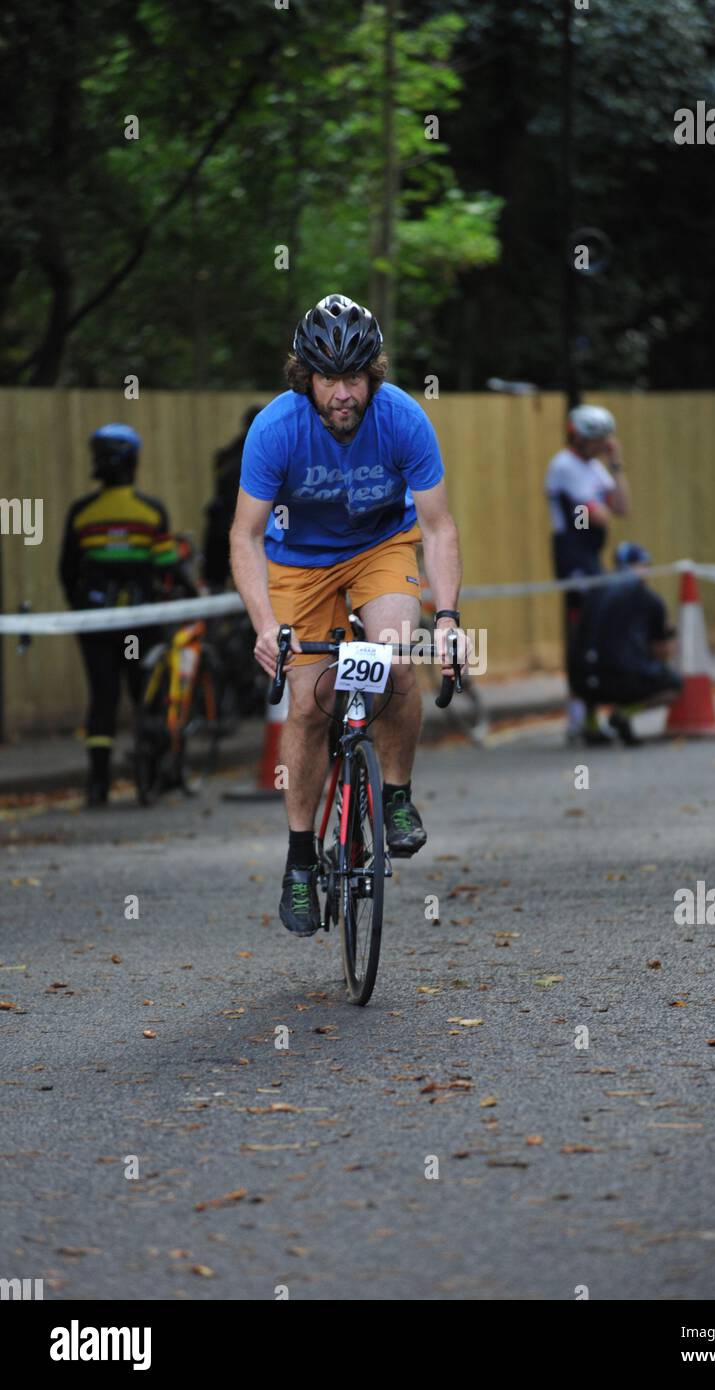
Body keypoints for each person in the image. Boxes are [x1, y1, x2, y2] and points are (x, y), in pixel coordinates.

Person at [229, 292, 465, 937]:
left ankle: (395, 796)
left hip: (379, 548)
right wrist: (262, 627)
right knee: (306, 706)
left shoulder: (404, 419)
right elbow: (245, 535)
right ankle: (301, 860)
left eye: (355, 377)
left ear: (373, 375)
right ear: (305, 376)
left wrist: (445, 618)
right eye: (329, 378)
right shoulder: (276, 429)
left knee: (390, 659)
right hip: (298, 564)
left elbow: (438, 528)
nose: (343, 394)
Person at [59, 424, 179, 805]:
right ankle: (152, 775)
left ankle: (98, 786)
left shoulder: (82, 513)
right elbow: (168, 567)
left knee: (103, 697)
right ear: (134, 462)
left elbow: (66, 570)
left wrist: (81, 611)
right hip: (141, 624)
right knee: (146, 695)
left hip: (95, 624)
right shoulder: (149, 511)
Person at [545, 403, 630, 745]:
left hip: (592, 556)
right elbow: (598, 516)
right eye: (597, 440)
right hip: (573, 556)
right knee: (583, 632)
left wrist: (616, 463)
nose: (602, 445)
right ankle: (580, 716)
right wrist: (603, 506)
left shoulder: (595, 467)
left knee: (601, 631)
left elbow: (621, 507)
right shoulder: (565, 466)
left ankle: (593, 712)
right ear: (579, 438)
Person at [569, 541, 682, 746]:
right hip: (621, 680)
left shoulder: (594, 590)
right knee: (673, 684)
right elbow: (661, 651)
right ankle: (623, 714)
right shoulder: (648, 598)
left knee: (590, 662)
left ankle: (591, 724)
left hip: (580, 682)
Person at [202, 406, 262, 592]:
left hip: (220, 528)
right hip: (244, 525)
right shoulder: (263, 453)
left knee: (218, 586)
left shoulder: (226, 456)